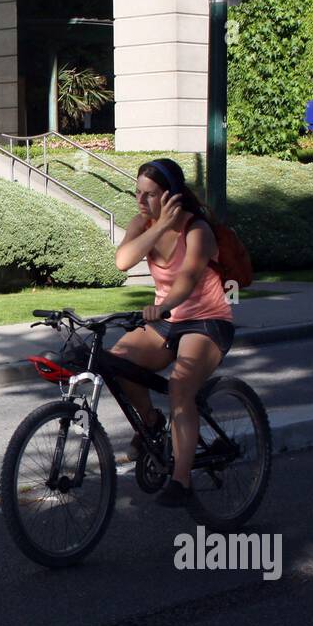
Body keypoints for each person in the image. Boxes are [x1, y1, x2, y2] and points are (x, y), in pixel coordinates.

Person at [109, 158, 234, 507]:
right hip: (168, 322)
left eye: (150, 195)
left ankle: (181, 480)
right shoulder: (143, 224)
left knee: (180, 386)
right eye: (137, 193)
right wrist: (158, 226)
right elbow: (123, 260)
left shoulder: (197, 230)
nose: (141, 201)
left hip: (207, 321)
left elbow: (187, 280)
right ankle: (150, 423)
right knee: (116, 361)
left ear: (171, 196)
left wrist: (163, 307)